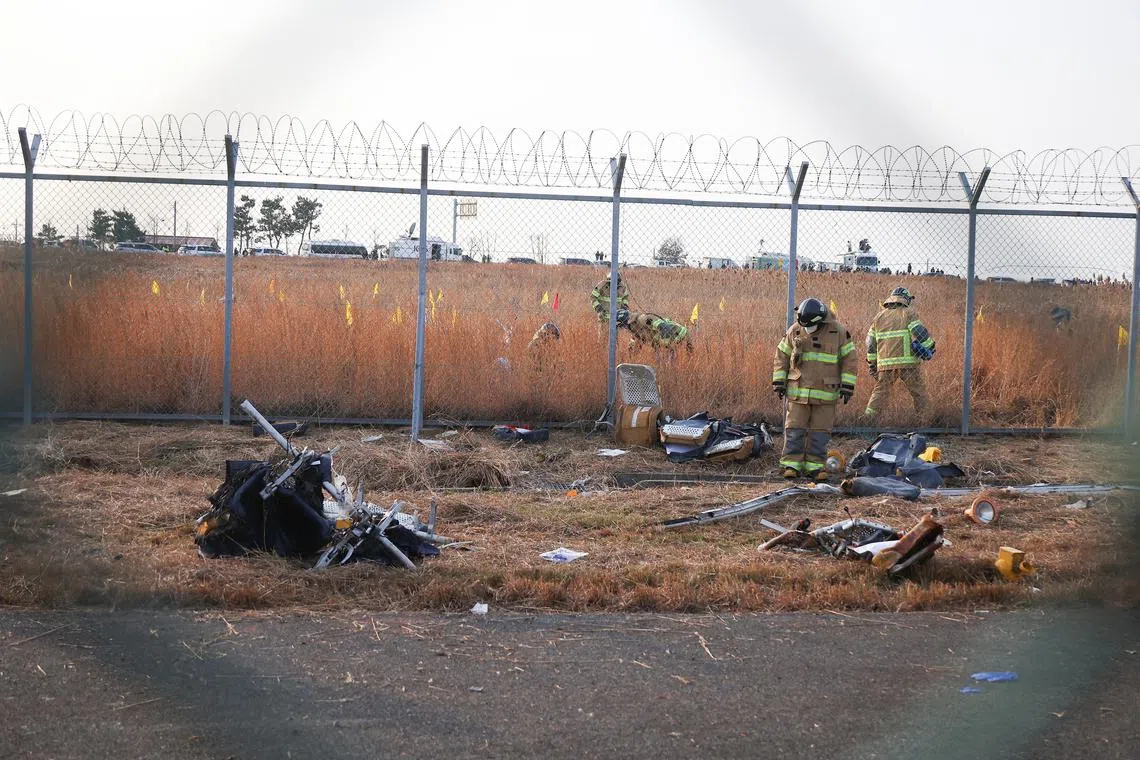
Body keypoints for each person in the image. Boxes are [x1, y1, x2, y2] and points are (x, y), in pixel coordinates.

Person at [772, 298, 856, 480]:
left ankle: (815, 467)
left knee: (820, 432)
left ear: (821, 320)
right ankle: (791, 465)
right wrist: (779, 381)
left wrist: (847, 386)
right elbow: (781, 356)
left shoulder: (838, 332)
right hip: (797, 392)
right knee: (794, 429)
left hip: (826, 393)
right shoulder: (795, 330)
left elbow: (850, 360)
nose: (807, 330)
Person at [863, 286, 935, 418]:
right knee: (918, 392)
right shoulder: (908, 313)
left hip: (886, 364)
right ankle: (926, 420)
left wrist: (872, 363)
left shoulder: (878, 317)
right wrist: (930, 346)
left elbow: (870, 344)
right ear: (906, 299)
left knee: (880, 392)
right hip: (908, 363)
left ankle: (867, 419)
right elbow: (918, 332)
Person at [618, 310, 693, 354]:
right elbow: (635, 345)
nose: (624, 329)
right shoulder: (635, 329)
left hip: (678, 333)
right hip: (667, 343)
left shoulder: (643, 319)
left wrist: (665, 347)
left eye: (622, 326)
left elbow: (663, 326)